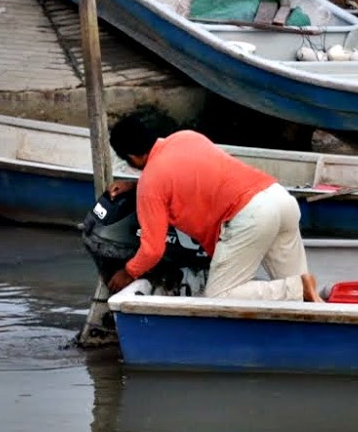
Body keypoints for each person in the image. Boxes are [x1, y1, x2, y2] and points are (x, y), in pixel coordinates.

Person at [103, 112, 324, 302]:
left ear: (131, 157)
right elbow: (188, 172)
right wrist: (136, 185)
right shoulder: (185, 137)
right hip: (278, 197)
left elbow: (153, 250)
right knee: (305, 299)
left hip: (251, 214)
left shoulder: (151, 184)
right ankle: (313, 311)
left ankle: (296, 289)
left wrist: (128, 272)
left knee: (219, 295)